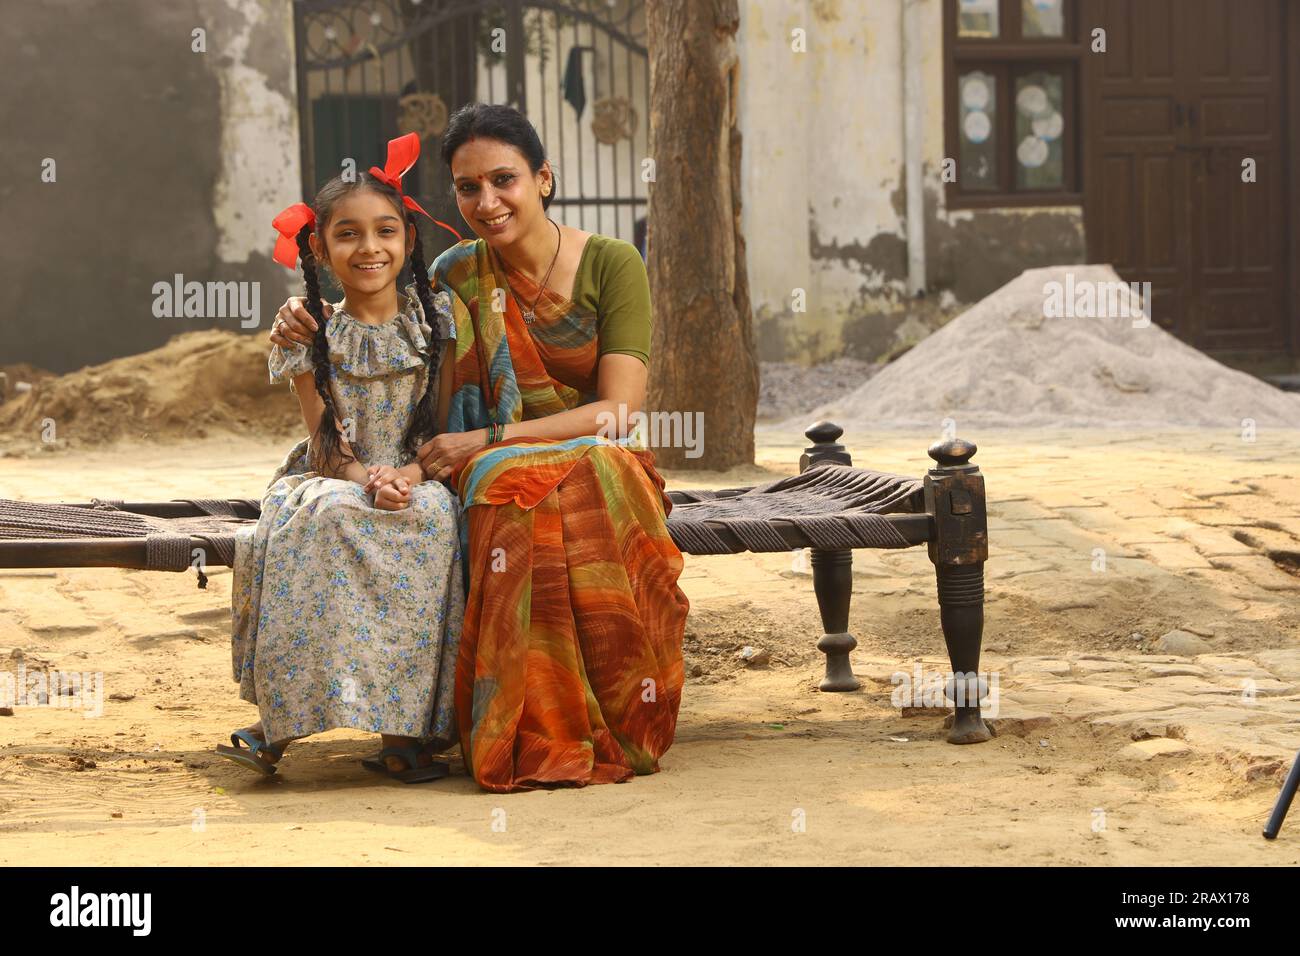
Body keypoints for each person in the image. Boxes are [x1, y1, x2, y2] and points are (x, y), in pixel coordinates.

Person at [273, 104, 690, 793]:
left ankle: (583, 714)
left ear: (544, 178)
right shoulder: (455, 273)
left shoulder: (613, 263)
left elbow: (617, 413)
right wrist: (303, 315)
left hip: (596, 456)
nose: (487, 202)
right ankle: (513, 720)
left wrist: (489, 439)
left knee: (501, 473)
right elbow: (373, 317)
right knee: (493, 482)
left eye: (505, 180)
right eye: (469, 188)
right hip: (474, 461)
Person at [223, 134, 465, 783]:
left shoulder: (438, 325)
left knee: (438, 518)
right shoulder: (312, 331)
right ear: (322, 250)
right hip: (333, 472)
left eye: (385, 231)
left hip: (418, 474)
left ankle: (406, 731)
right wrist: (365, 477)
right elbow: (324, 438)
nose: (369, 248)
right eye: (349, 234)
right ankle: (279, 726)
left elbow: (440, 428)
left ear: (409, 242)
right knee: (329, 514)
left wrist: (407, 475)